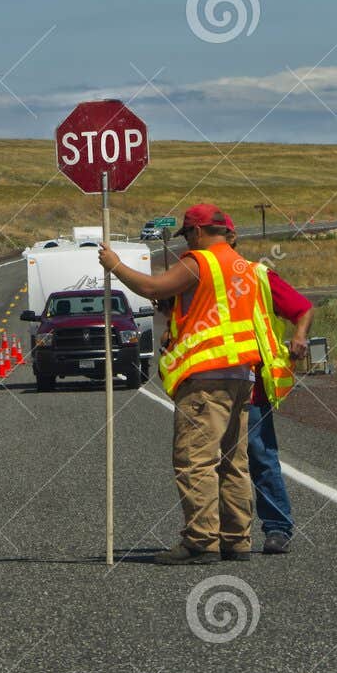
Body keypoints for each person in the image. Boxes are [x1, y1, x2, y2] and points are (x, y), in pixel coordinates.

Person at [99, 203, 294, 565]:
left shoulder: (199, 262)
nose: (186, 242)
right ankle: (236, 539)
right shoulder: (249, 269)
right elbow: (214, 309)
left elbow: (149, 285)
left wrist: (115, 266)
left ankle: (201, 541)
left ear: (199, 232)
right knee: (233, 462)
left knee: (195, 461)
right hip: (242, 376)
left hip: (206, 378)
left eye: (188, 234)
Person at [228, 230, 313, 555]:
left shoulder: (258, 275)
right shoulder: (195, 275)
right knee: (216, 462)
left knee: (259, 455)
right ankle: (223, 532)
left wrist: (300, 337)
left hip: (251, 384)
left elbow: (302, 308)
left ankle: (277, 527)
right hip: (209, 386)